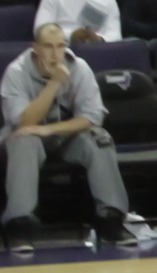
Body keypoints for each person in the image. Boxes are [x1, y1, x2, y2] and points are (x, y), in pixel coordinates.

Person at [1, 23, 136, 253]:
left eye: (60, 46)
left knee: (99, 138)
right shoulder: (17, 71)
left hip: (63, 135)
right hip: (25, 137)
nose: (55, 54)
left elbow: (93, 116)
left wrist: (51, 130)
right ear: (36, 49)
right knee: (24, 140)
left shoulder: (79, 67)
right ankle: (19, 224)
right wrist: (54, 84)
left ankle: (110, 218)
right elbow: (24, 123)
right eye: (48, 47)